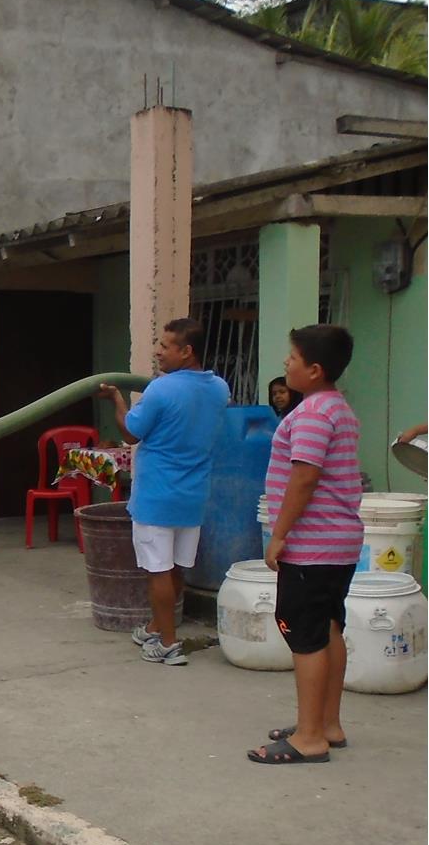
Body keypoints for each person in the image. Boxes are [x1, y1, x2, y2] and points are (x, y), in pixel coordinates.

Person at [249, 325, 363, 765]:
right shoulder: (338, 408)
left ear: (314, 370)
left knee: (306, 637)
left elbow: (305, 476)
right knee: (329, 628)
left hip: (312, 546)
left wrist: (278, 535)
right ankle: (326, 724)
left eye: (292, 357)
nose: (286, 363)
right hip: (337, 544)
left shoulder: (314, 413)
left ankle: (310, 738)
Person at [97, 317, 230, 665]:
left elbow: (131, 433)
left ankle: (169, 643)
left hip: (157, 495)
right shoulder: (220, 389)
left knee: (157, 570)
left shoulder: (161, 389)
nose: (158, 352)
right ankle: (158, 626)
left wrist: (116, 400)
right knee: (176, 569)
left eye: (165, 346)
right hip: (193, 494)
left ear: (187, 352)